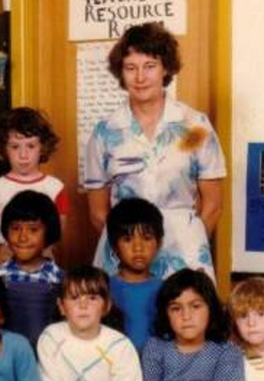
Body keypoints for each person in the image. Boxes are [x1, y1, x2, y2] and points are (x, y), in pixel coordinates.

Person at [83, 22, 226, 281]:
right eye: (131, 68)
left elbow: (213, 205)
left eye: (149, 66)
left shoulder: (195, 125)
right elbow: (96, 213)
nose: (140, 77)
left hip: (184, 253)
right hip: (122, 257)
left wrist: (191, 242)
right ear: (121, 72)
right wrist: (125, 247)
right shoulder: (104, 132)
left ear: (166, 68)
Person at [0, 107, 68, 265]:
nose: (23, 155)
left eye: (31, 146)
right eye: (15, 147)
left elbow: (59, 230)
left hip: (43, 262)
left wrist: (49, 249)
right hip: (8, 261)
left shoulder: (56, 188)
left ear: (43, 147)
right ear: (4, 149)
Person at [0, 190, 64, 348]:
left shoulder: (57, 277)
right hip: (7, 353)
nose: (23, 237)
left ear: (49, 233)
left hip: (46, 353)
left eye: (33, 230)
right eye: (16, 228)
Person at [106, 198, 165, 352]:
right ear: (114, 246)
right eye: (127, 239)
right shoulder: (104, 289)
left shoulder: (167, 290)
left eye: (147, 238)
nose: (138, 248)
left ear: (159, 243)